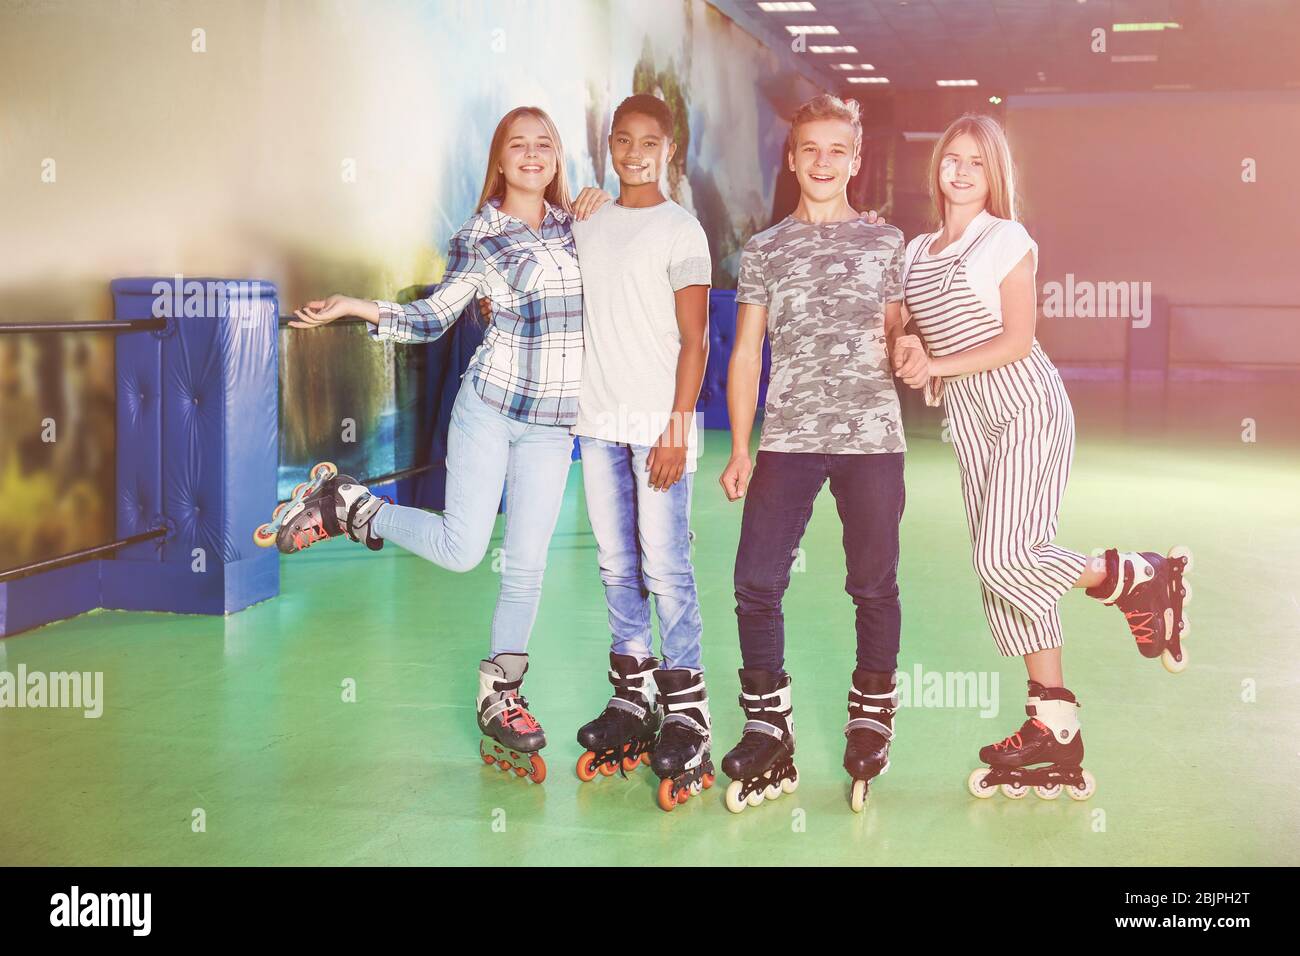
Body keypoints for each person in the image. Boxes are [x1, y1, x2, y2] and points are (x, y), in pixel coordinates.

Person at [278, 106, 609, 784]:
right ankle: (351, 507)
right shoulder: (479, 236)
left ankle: (501, 692)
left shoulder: (582, 226)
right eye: (518, 144)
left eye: (544, 143)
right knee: (463, 550)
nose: (532, 153)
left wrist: (609, 207)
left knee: (527, 565)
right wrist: (357, 307)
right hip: (488, 409)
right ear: (499, 159)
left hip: (552, 424)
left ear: (557, 158)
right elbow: (433, 318)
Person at [894, 113, 1192, 801]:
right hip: (968, 419)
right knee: (1007, 575)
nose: (961, 170)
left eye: (976, 161)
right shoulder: (913, 252)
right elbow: (908, 332)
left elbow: (1018, 340)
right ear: (935, 166)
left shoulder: (1007, 239)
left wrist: (934, 358)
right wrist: (908, 351)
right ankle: (1053, 725)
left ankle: (1135, 575)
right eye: (951, 158)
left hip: (1026, 404)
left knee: (1004, 555)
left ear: (993, 173)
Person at [717, 94, 908, 814]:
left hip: (871, 441)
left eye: (838, 150)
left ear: (855, 161)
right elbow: (745, 355)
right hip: (788, 439)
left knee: (872, 586)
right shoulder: (764, 250)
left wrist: (916, 349)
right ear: (792, 159)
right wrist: (740, 447)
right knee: (757, 583)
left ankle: (871, 714)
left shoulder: (885, 243)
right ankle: (768, 726)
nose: (823, 162)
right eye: (811, 150)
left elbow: (898, 336)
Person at [566, 94, 714, 812]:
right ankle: (633, 699)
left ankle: (688, 710)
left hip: (659, 425)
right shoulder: (588, 218)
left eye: (647, 141)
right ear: (609, 144)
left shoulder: (681, 228)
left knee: (666, 565)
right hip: (596, 425)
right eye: (620, 140)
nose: (632, 152)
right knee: (616, 565)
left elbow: (697, 339)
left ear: (668, 149)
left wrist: (678, 427)